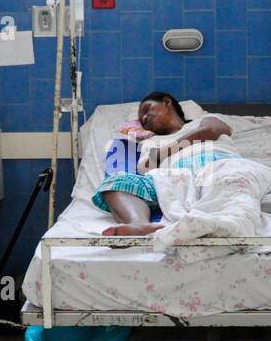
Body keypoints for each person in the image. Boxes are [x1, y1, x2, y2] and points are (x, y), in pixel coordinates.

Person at [92, 92, 238, 236]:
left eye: (147, 109)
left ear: (167, 102)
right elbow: (147, 167)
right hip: (175, 177)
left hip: (216, 164)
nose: (144, 117)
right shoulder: (150, 142)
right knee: (116, 181)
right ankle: (138, 224)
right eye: (141, 120)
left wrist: (163, 152)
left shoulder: (203, 121)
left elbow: (209, 131)